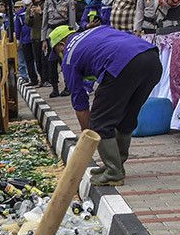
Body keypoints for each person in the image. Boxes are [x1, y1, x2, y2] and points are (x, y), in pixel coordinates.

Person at [51, 24, 161, 186]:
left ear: (61, 45)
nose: (59, 56)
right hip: (152, 59)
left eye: (57, 52)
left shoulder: (68, 56)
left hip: (122, 64)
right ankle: (116, 165)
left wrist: (89, 133)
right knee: (126, 117)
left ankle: (113, 172)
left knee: (100, 122)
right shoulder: (95, 30)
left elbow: (79, 102)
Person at [41, 0, 76, 97]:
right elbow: (44, 21)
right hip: (51, 33)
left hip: (64, 32)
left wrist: (72, 35)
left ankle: (68, 86)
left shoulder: (69, 1)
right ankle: (55, 88)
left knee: (64, 61)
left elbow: (72, 19)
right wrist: (44, 39)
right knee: (51, 62)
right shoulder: (48, 2)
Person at [26, 0, 47, 86]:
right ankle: (42, 79)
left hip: (45, 36)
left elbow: (49, 19)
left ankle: (47, 79)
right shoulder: (30, 7)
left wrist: (41, 12)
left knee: (45, 60)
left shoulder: (46, 5)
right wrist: (31, 15)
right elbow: (27, 24)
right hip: (34, 37)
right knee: (37, 60)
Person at [14, 0, 33, 82]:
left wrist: (17, 39)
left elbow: (17, 29)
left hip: (23, 39)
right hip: (30, 38)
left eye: (18, 7)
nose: (17, 9)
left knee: (22, 59)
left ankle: (25, 75)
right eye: (15, 7)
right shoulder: (28, 13)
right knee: (32, 59)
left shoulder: (18, 16)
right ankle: (31, 75)